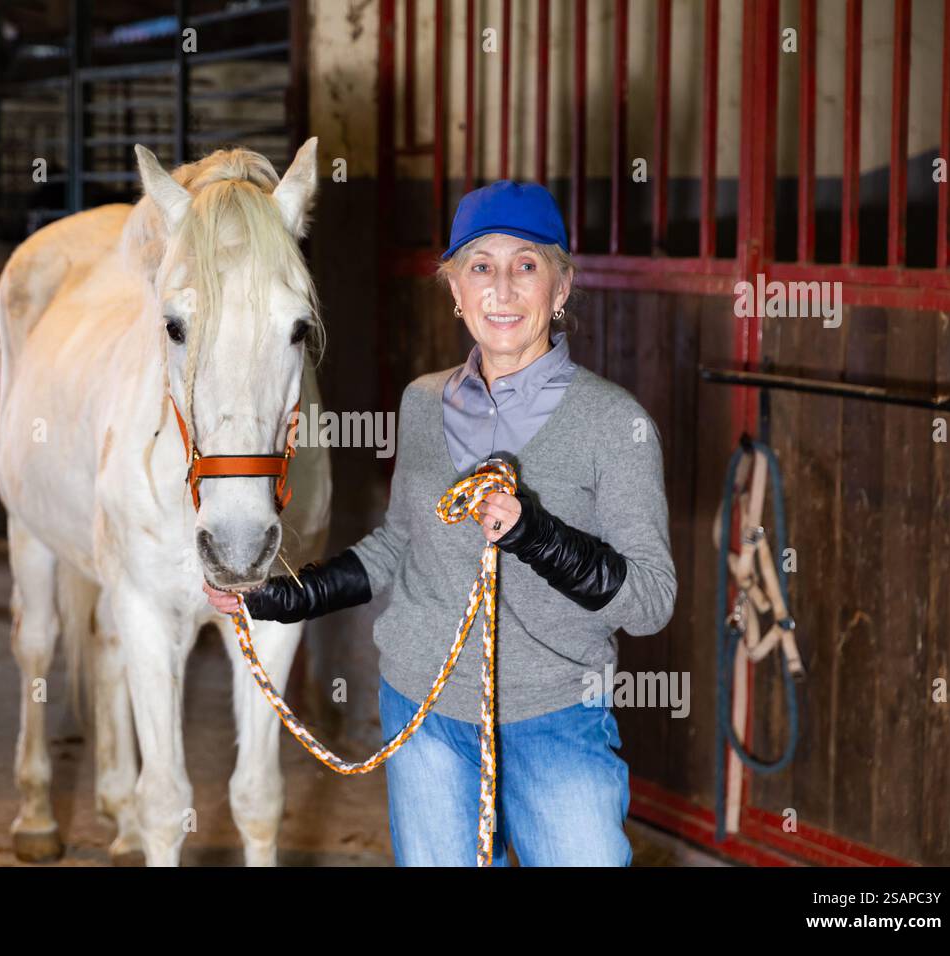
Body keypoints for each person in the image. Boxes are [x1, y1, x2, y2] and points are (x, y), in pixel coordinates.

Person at [205, 179, 676, 866]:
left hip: (556, 720)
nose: (502, 290)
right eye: (479, 266)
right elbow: (397, 544)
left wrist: (539, 538)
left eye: (527, 265)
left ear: (563, 287)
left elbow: (652, 603)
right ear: (454, 290)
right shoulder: (422, 404)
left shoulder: (616, 423)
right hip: (423, 713)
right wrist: (283, 597)